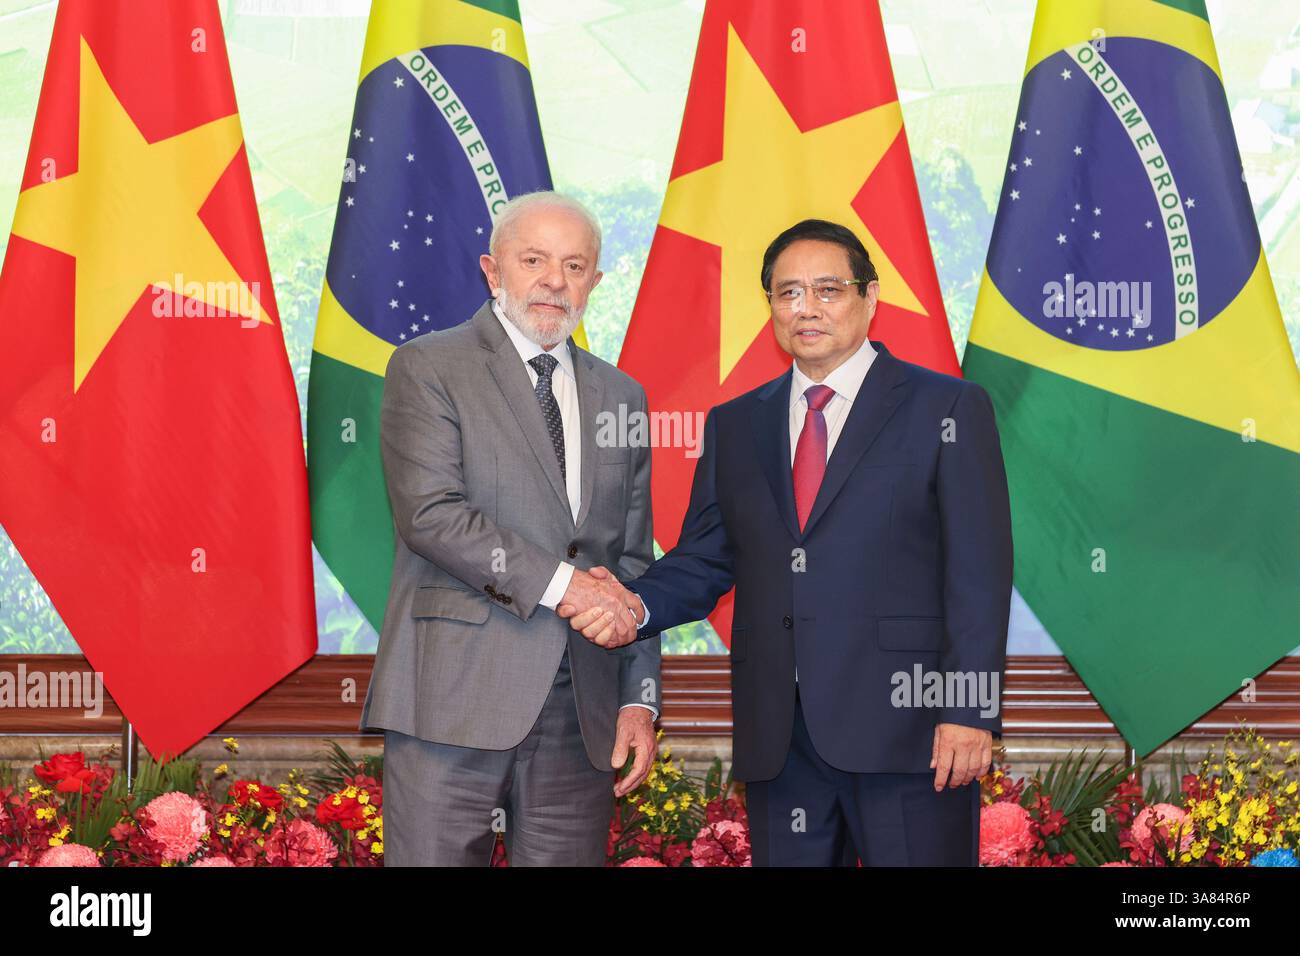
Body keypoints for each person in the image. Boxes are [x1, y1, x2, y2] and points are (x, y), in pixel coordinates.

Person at [561, 219, 1013, 866]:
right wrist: (631, 603)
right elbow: (705, 557)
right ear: (770, 304)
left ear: (870, 296)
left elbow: (980, 570)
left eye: (828, 290)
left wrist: (970, 711)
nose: (807, 308)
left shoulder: (946, 409)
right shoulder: (738, 423)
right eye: (788, 292)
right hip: (781, 741)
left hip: (913, 735)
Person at [360, 191, 659, 866]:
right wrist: (568, 588)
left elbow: (632, 562)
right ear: (493, 271)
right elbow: (431, 514)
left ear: (596, 283)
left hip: (582, 712)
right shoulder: (429, 367)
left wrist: (639, 698)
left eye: (576, 265)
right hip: (451, 698)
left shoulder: (622, 396)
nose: (556, 280)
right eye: (534, 260)